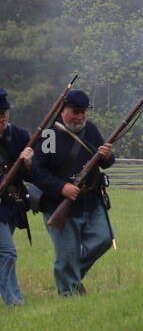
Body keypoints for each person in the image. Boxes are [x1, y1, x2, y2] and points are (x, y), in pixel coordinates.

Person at [29, 90, 115, 296]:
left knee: (104, 239)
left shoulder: (91, 130)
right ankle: (69, 294)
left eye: (83, 112)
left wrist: (107, 156)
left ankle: (71, 278)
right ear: (62, 110)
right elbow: (37, 172)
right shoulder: (49, 134)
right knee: (66, 256)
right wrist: (61, 187)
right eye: (75, 111)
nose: (79, 117)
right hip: (59, 204)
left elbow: (106, 162)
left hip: (91, 200)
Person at [0, 88, 34, 306]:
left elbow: (34, 173)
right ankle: (14, 302)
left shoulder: (19, 135)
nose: (3, 116)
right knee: (8, 253)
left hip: (11, 205)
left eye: (4, 112)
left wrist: (28, 162)